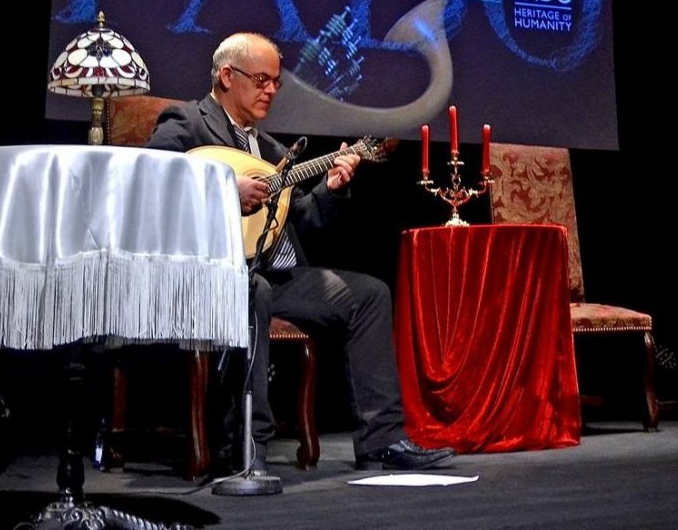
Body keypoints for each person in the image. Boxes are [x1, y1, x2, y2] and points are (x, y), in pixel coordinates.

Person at [146, 31, 454, 479]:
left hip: (275, 272)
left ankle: (381, 442)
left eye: (276, 82)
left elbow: (301, 223)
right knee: (256, 291)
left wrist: (330, 190)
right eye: (262, 80)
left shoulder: (270, 150)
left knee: (368, 295)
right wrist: (224, 189)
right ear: (227, 76)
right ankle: (248, 447)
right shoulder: (188, 122)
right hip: (208, 275)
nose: (271, 90)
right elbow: (152, 178)